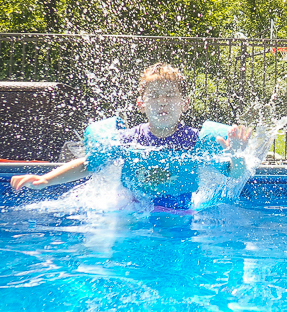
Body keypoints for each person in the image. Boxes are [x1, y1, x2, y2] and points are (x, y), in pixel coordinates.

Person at [10, 63, 253, 210]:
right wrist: (45, 180)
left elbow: (235, 173)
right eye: (154, 95)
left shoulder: (195, 141)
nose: (162, 101)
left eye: (169, 95)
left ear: (185, 104)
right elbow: (90, 164)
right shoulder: (128, 138)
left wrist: (238, 154)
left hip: (177, 208)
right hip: (131, 205)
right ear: (140, 104)